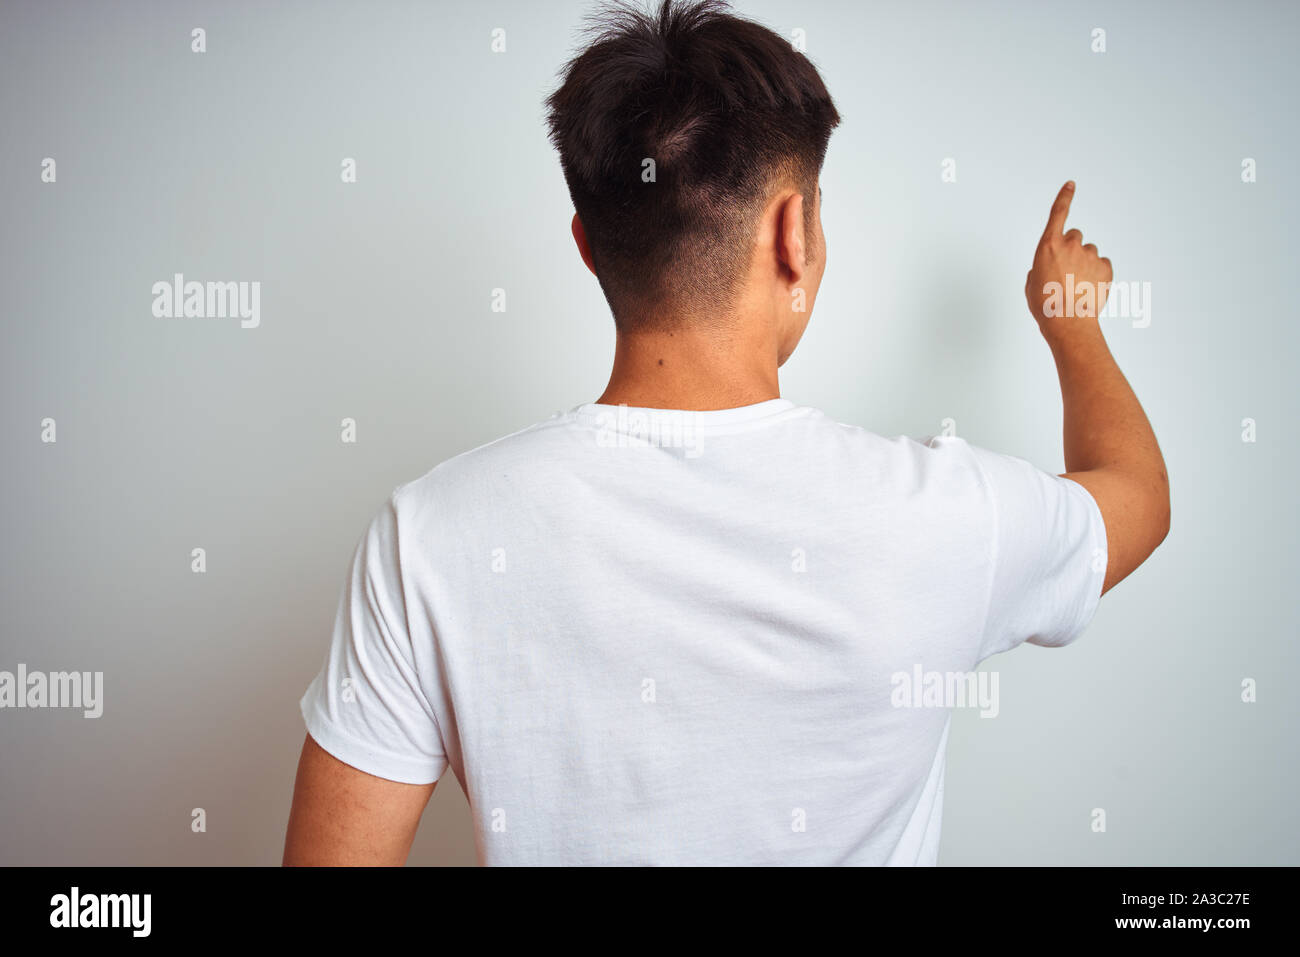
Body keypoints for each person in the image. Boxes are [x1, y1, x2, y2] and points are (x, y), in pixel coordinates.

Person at [284, 0, 1168, 866]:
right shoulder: (941, 518)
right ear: (795, 232)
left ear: (588, 243)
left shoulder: (429, 536)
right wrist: (1073, 323)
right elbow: (1135, 494)